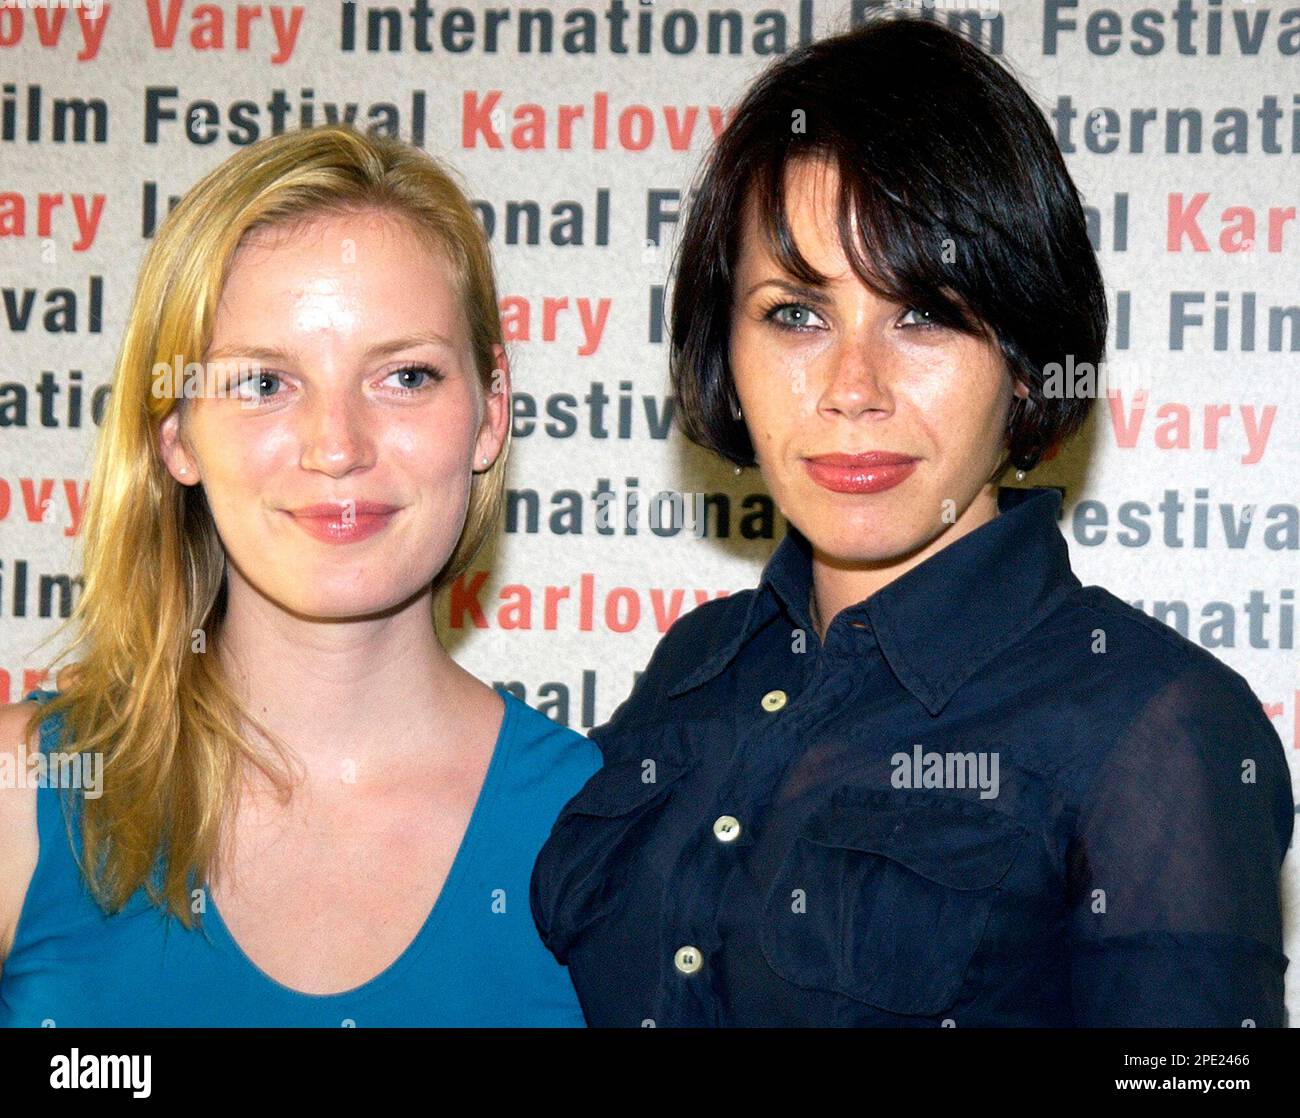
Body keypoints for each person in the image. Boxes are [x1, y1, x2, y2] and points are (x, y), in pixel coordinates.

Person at [530, 15, 1294, 1027]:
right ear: (726, 350)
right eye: (795, 314)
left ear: (1025, 356)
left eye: (923, 311)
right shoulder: (696, 663)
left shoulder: (1155, 726)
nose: (853, 386)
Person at [0, 123, 600, 1026]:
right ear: (177, 438)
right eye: (263, 384)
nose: (337, 448)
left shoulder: (601, 827)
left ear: (489, 416)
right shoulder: (23, 795)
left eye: (404, 375)